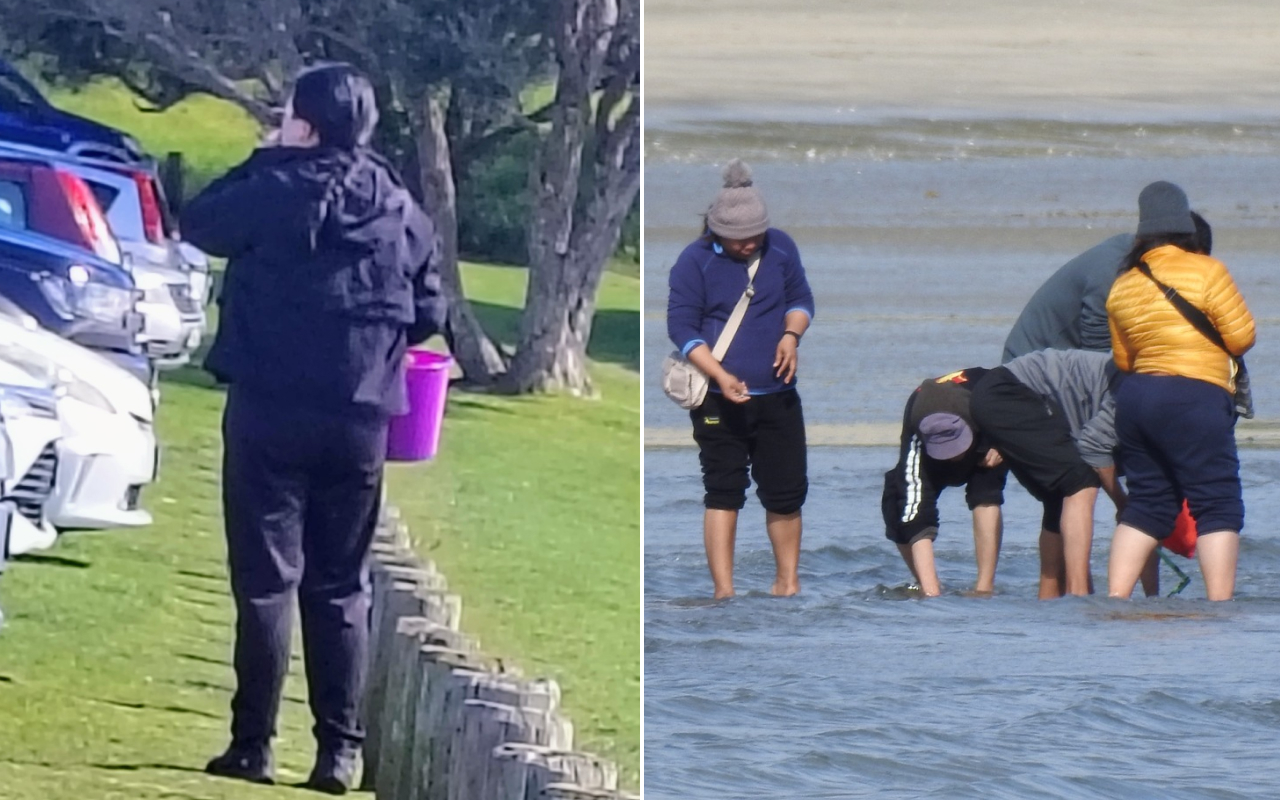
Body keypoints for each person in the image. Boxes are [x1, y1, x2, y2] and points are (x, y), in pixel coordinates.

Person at [180, 63, 446, 792]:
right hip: (359, 412)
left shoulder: (273, 188)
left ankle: (252, 744)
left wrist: (269, 154)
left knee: (267, 581)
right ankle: (339, 751)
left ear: (304, 124)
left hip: (269, 405)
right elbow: (430, 309)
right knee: (339, 584)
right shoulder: (396, 202)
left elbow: (198, 220)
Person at [666, 159, 815, 599]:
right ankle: (723, 591)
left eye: (755, 235)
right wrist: (720, 375)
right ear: (716, 231)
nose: (748, 244)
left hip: (779, 396)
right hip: (716, 398)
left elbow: (802, 299)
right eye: (737, 239)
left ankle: (787, 583)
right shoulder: (694, 262)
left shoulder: (781, 248)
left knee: (786, 493)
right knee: (723, 489)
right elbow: (682, 327)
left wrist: (792, 336)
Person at [1105, 181, 1255, 601]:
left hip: (1136, 398)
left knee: (1148, 502)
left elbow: (1122, 359)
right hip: (1195, 397)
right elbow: (1241, 338)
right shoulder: (1208, 270)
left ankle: (1116, 599)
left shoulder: (1124, 283)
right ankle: (1220, 604)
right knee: (1218, 504)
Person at [969, 349, 1133, 599]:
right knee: (1080, 481)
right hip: (1008, 391)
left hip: (1001, 393)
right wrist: (1121, 503)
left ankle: (1048, 597)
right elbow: (1094, 450)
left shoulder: (1137, 388)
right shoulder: (1131, 389)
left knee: (1059, 496)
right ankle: (1078, 594)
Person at [1002, 213, 1211, 363]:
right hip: (1028, 370)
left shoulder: (1141, 260)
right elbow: (1096, 359)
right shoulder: (1113, 273)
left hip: (1065, 360)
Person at [881, 368, 1007, 596]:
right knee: (897, 501)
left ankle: (984, 588)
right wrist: (933, 598)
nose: (952, 456)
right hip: (930, 445)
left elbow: (1022, 410)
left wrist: (1004, 443)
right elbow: (916, 515)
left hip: (985, 428)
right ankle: (930, 585)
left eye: (955, 448)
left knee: (986, 491)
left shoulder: (988, 398)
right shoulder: (916, 429)